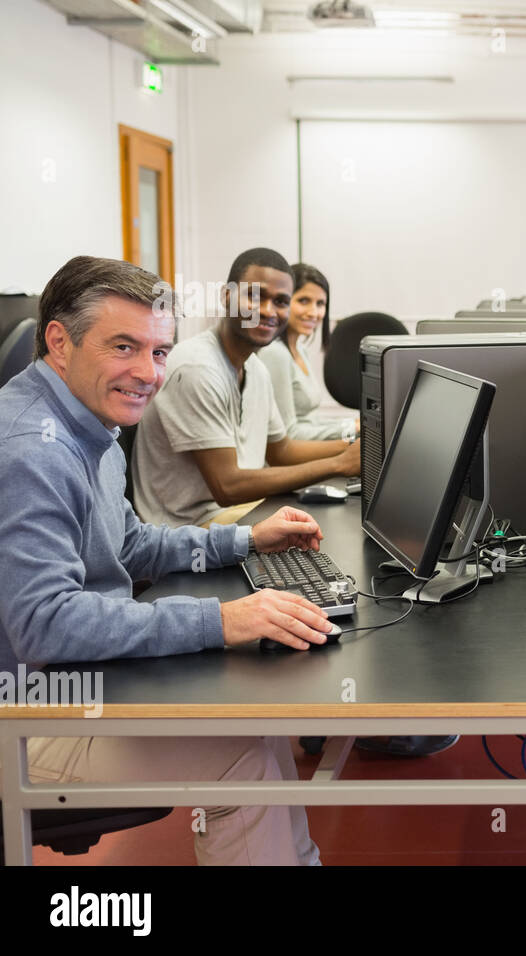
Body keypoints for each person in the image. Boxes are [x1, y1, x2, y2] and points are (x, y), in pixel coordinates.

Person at [0, 255, 342, 865]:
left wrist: (244, 541)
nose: (147, 373)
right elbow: (44, 623)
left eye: (158, 352)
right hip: (26, 716)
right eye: (124, 347)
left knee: (258, 722)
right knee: (244, 758)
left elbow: (128, 545)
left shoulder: (88, 421)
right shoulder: (35, 451)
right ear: (59, 341)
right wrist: (222, 620)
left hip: (72, 686)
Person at [133, 247, 360, 529]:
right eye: (255, 296)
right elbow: (227, 487)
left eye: (280, 301)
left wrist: (356, 451)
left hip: (238, 513)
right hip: (189, 531)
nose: (267, 311)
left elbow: (282, 451)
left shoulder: (255, 368)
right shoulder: (196, 368)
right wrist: (339, 464)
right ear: (227, 296)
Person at [259, 263, 359, 441]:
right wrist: (352, 429)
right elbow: (289, 435)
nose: (314, 312)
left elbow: (309, 421)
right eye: (303, 301)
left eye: (320, 303)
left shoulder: (300, 349)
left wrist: (354, 425)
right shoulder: (275, 354)